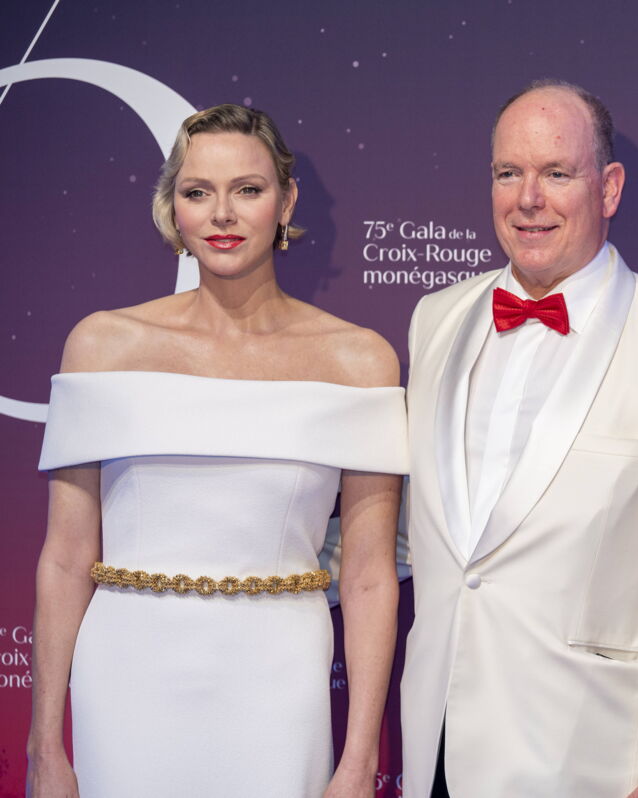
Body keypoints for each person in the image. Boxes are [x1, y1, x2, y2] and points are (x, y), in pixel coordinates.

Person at [400, 79, 638, 798]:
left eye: (556, 173)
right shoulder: (435, 321)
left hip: (604, 764)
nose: (528, 199)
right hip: (440, 751)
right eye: (508, 173)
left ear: (608, 188)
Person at [25, 104, 406, 797]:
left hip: (278, 677)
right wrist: (44, 747)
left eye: (248, 190)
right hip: (126, 673)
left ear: (286, 202)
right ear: (174, 209)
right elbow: (64, 556)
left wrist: (358, 763)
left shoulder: (358, 362)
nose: (222, 214)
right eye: (198, 192)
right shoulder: (102, 347)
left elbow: (371, 578)